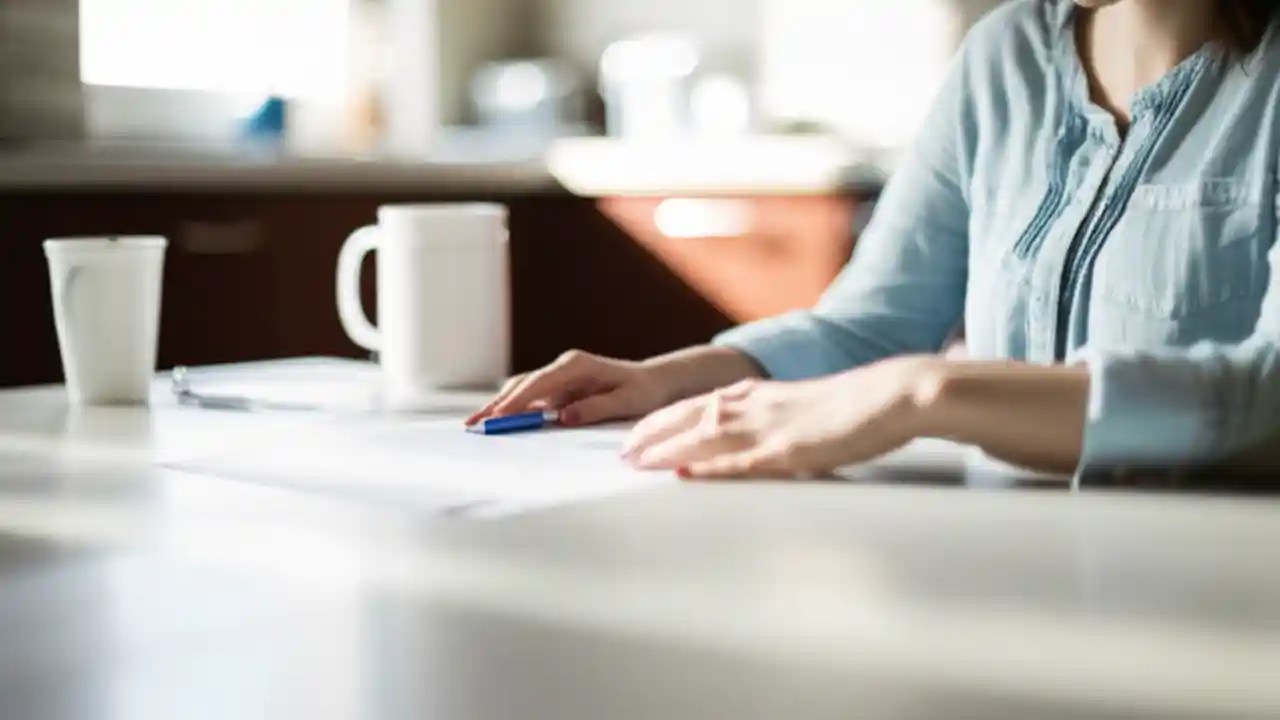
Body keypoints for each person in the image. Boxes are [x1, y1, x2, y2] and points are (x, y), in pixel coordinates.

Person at [469, 0, 1280, 484]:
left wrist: (924, 393)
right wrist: (667, 380)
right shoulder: (1005, 59)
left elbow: (1266, 398)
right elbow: (876, 323)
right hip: (1017, 567)